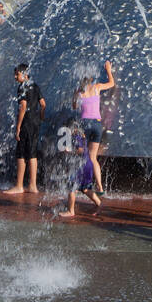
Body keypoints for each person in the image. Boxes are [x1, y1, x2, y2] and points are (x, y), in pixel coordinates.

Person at [73, 61, 115, 196]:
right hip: (97, 125)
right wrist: (108, 70)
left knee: (82, 156)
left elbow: (74, 107)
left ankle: (84, 183)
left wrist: (76, 95)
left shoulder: (79, 92)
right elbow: (111, 84)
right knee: (93, 157)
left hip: (85, 124)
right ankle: (100, 187)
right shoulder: (96, 87)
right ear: (91, 78)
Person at [3, 64, 46, 195]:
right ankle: (33, 186)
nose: (15, 77)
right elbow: (43, 104)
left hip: (26, 122)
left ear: (24, 73)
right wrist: (41, 119)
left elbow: (23, 107)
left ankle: (19, 185)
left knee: (21, 153)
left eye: (17, 74)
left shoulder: (22, 87)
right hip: (35, 122)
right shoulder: (36, 85)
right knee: (32, 153)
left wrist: (18, 127)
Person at [57, 127, 101, 219]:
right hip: (87, 164)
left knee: (72, 187)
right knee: (84, 188)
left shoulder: (76, 136)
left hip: (82, 166)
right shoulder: (83, 136)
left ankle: (70, 211)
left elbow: (81, 150)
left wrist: (69, 151)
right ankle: (99, 203)